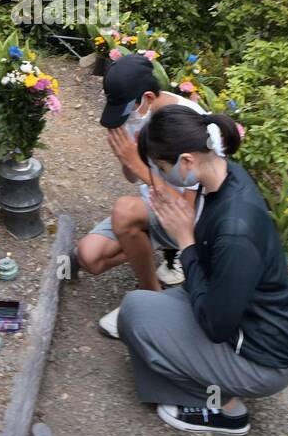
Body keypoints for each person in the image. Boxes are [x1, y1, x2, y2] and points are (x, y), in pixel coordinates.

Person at [117, 104, 288, 436]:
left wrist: (185, 241)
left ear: (187, 160)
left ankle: (224, 408)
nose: (158, 177)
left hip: (262, 358)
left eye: (161, 167)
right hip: (242, 320)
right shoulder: (223, 177)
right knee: (145, 307)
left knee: (135, 314)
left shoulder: (235, 229)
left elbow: (217, 325)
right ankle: (205, 377)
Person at [74, 54, 206, 337]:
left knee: (123, 210)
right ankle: (146, 247)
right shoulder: (133, 115)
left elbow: (185, 209)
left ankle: (151, 294)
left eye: (127, 110)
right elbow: (131, 177)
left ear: (147, 96)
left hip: (187, 220)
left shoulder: (189, 123)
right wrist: (127, 162)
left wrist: (137, 164)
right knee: (89, 257)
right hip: (152, 206)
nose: (124, 119)